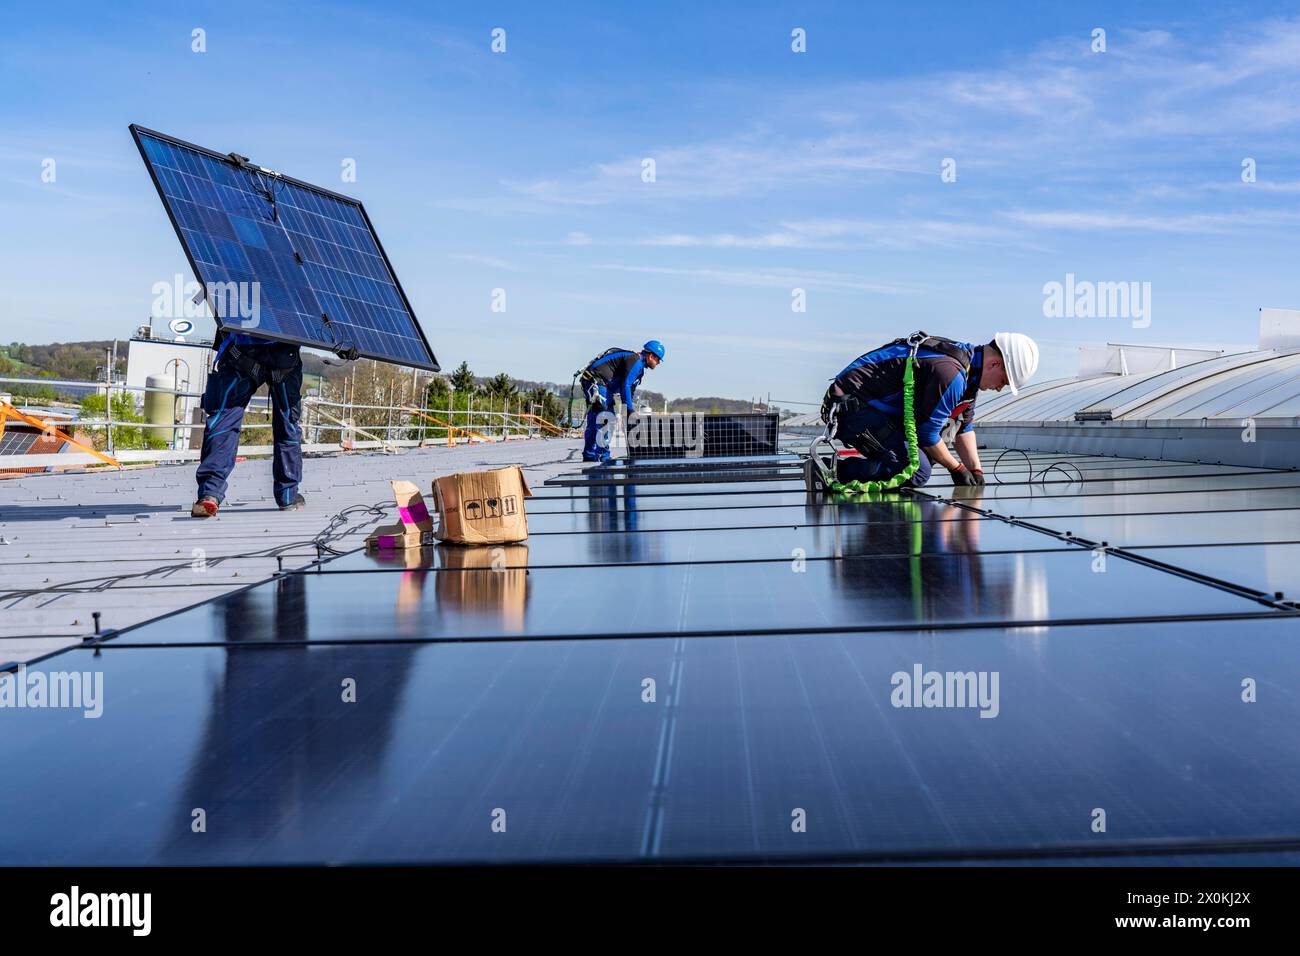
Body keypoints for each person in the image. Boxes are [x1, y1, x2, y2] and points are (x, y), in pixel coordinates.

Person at [815, 331, 1039, 489]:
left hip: (875, 411)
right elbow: (927, 434)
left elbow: (963, 427)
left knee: (932, 452)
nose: (1000, 389)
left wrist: (976, 470)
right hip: (852, 409)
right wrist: (957, 468)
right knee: (916, 469)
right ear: (994, 364)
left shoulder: (969, 373)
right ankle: (828, 471)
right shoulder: (950, 373)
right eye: (1003, 381)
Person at [191, 330, 306, 517]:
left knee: (224, 420)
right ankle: (288, 495)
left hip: (241, 348)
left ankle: (210, 493)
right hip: (284, 352)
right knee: (288, 424)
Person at [578, 341, 665, 462]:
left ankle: (589, 454)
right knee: (605, 417)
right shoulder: (636, 362)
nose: (659, 363)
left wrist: (628, 410)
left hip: (601, 383)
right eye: (658, 359)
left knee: (597, 417)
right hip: (596, 381)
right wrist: (629, 409)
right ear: (651, 356)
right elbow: (626, 385)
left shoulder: (638, 367)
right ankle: (603, 455)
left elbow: (630, 390)